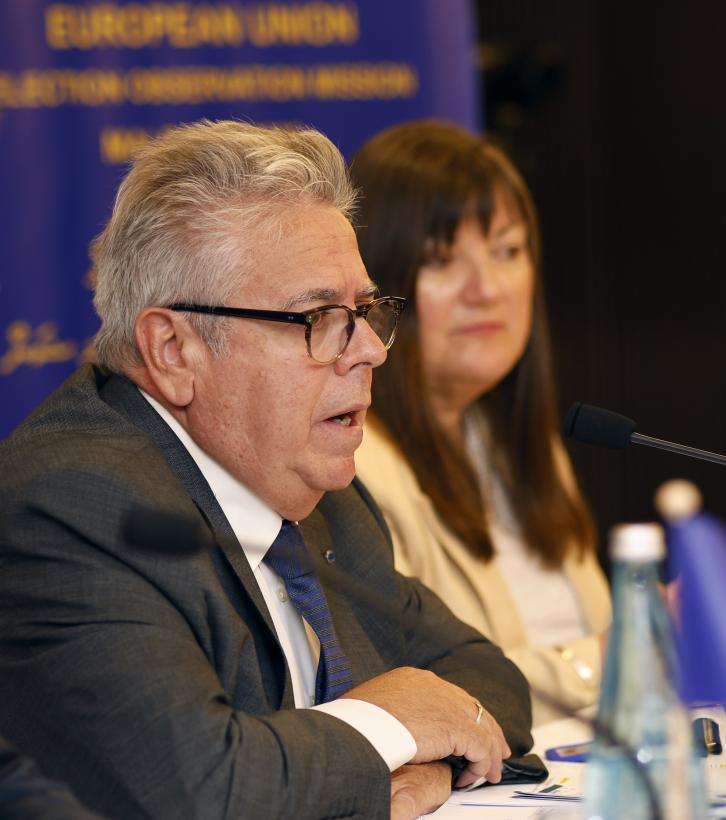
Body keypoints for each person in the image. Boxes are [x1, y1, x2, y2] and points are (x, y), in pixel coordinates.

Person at [0, 120, 532, 820]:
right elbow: (202, 788)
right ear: (173, 350)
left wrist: (414, 771)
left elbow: (488, 680)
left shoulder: (318, 494)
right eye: (317, 316)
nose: (369, 348)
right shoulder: (74, 509)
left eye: (366, 311)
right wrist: (385, 728)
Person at [348, 121, 610, 725]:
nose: (487, 289)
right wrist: (609, 660)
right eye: (442, 261)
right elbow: (424, 694)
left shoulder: (513, 442)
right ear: (375, 292)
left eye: (507, 251)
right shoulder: (357, 468)